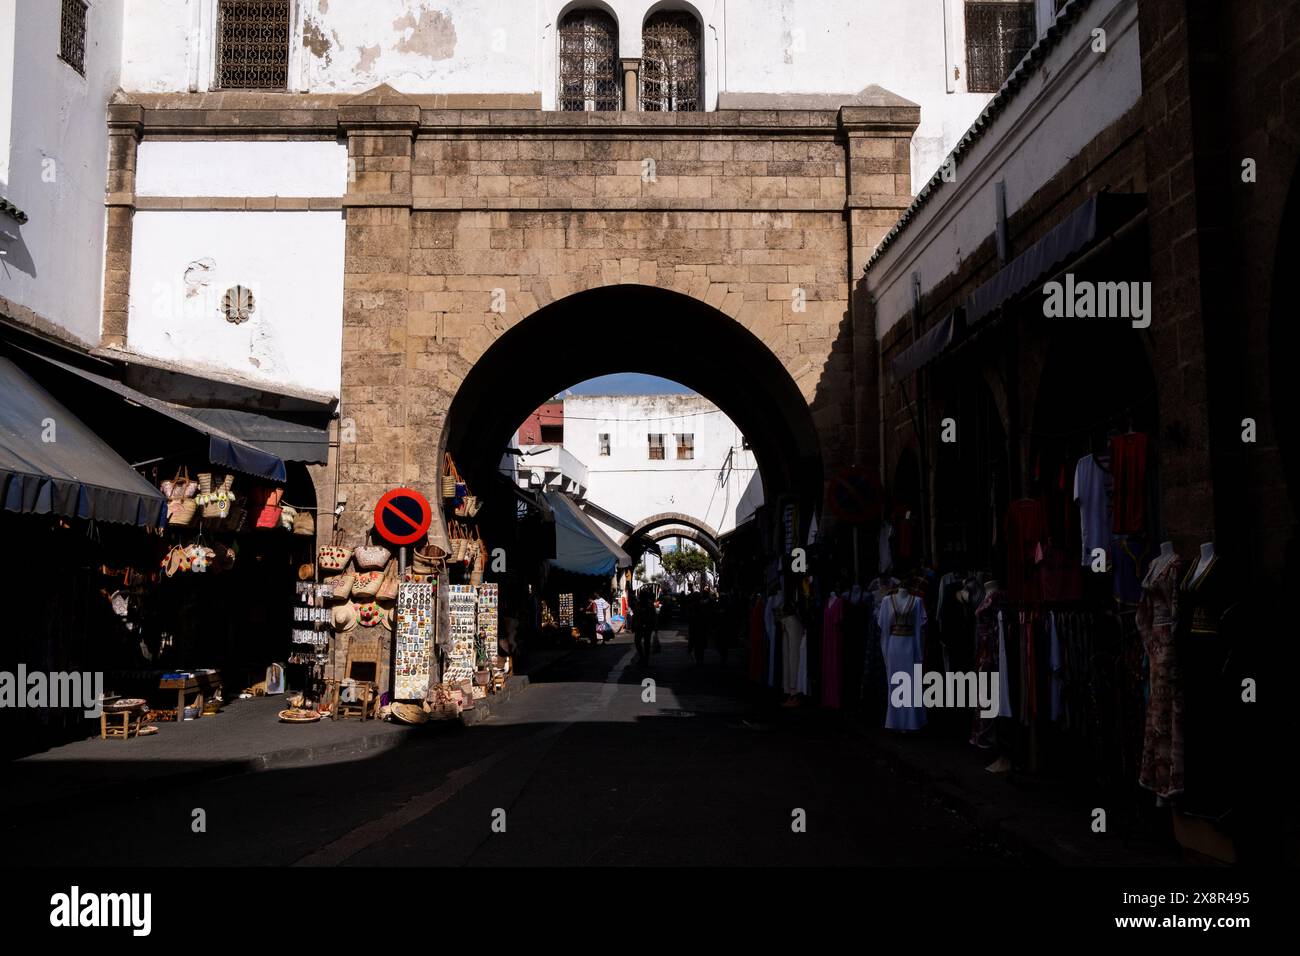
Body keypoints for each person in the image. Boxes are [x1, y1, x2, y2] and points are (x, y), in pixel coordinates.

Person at [632, 585, 657, 666]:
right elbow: (635, 615)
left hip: (647, 626)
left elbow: (653, 616)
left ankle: (645, 659)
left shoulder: (649, 604)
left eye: (641, 595)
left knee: (646, 643)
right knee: (637, 642)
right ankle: (643, 657)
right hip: (640, 626)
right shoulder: (638, 604)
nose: (640, 597)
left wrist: (654, 626)